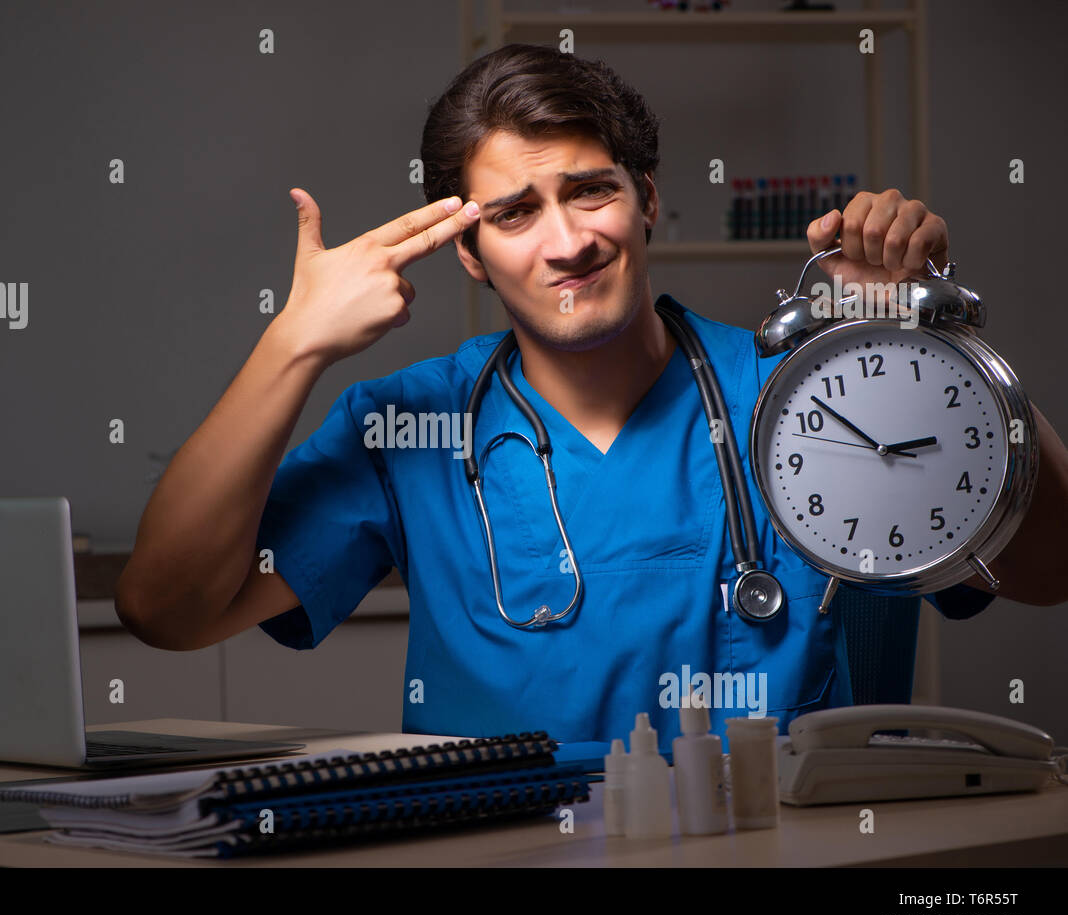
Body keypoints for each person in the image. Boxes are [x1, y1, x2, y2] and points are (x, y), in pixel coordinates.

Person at [115, 44, 1068, 747]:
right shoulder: (410, 429)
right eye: (515, 213)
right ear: (470, 252)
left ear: (648, 200)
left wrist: (928, 346)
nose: (566, 241)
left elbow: (1052, 566)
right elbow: (168, 608)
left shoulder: (813, 392)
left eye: (591, 191)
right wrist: (293, 346)